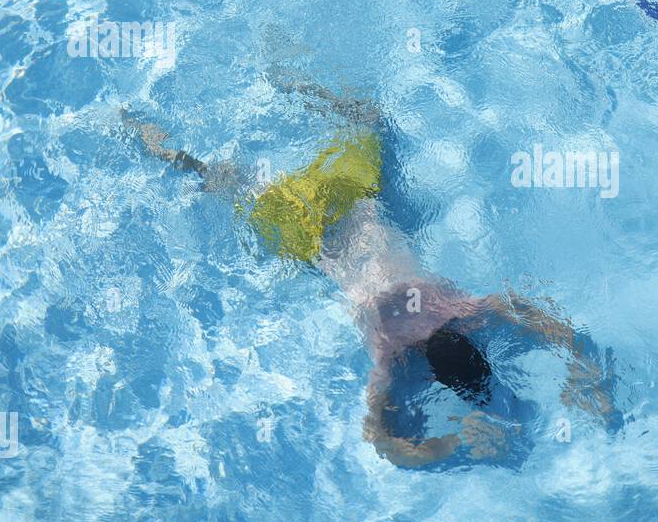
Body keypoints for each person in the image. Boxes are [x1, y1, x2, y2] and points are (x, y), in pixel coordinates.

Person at [121, 86, 616, 468]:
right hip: (310, 234)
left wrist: (583, 369)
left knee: (371, 121)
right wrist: (448, 446)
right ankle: (163, 149)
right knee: (226, 180)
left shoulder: (457, 311)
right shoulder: (394, 352)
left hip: (352, 201)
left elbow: (540, 317)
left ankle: (286, 84)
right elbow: (382, 441)